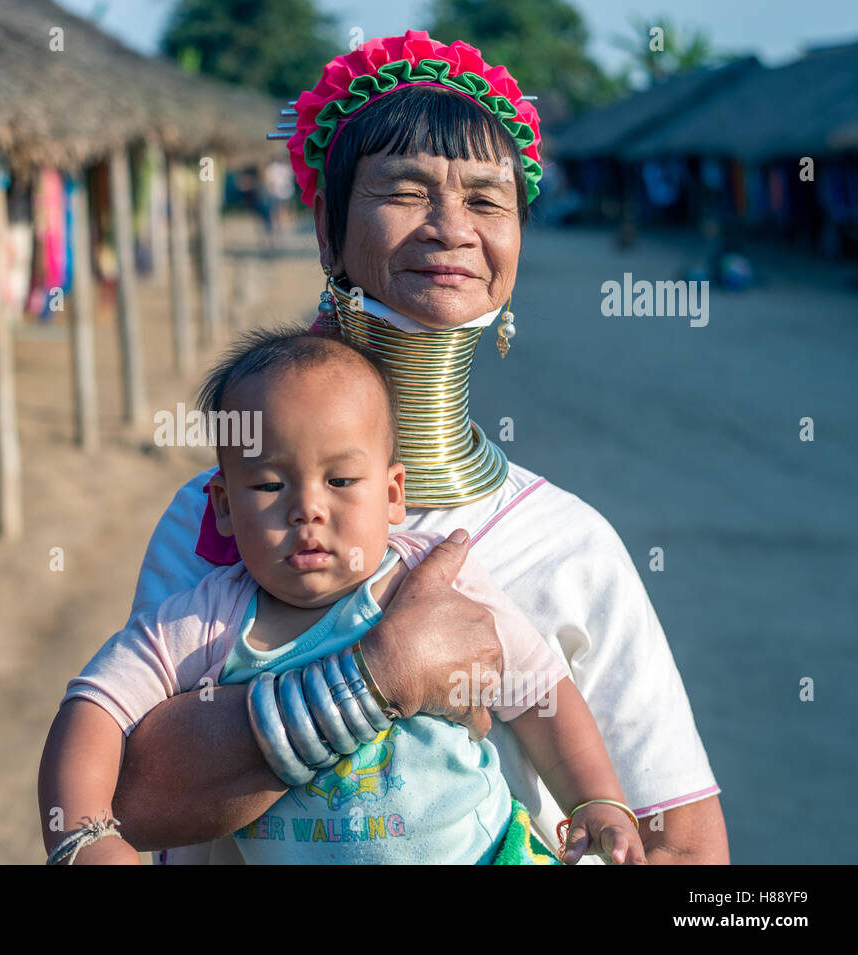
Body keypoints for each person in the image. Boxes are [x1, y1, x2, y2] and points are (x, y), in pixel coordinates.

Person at [47, 30, 727, 865]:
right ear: (327, 237)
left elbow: (686, 848)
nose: (451, 227)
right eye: (406, 190)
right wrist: (383, 670)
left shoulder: (572, 543)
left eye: (486, 200)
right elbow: (136, 799)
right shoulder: (222, 515)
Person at [40, 328, 647, 864]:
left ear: (392, 494)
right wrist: (84, 835)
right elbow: (95, 707)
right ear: (223, 507)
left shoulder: (430, 578)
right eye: (270, 483)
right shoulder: (206, 620)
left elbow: (540, 690)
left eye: (341, 480)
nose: (308, 508)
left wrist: (595, 798)